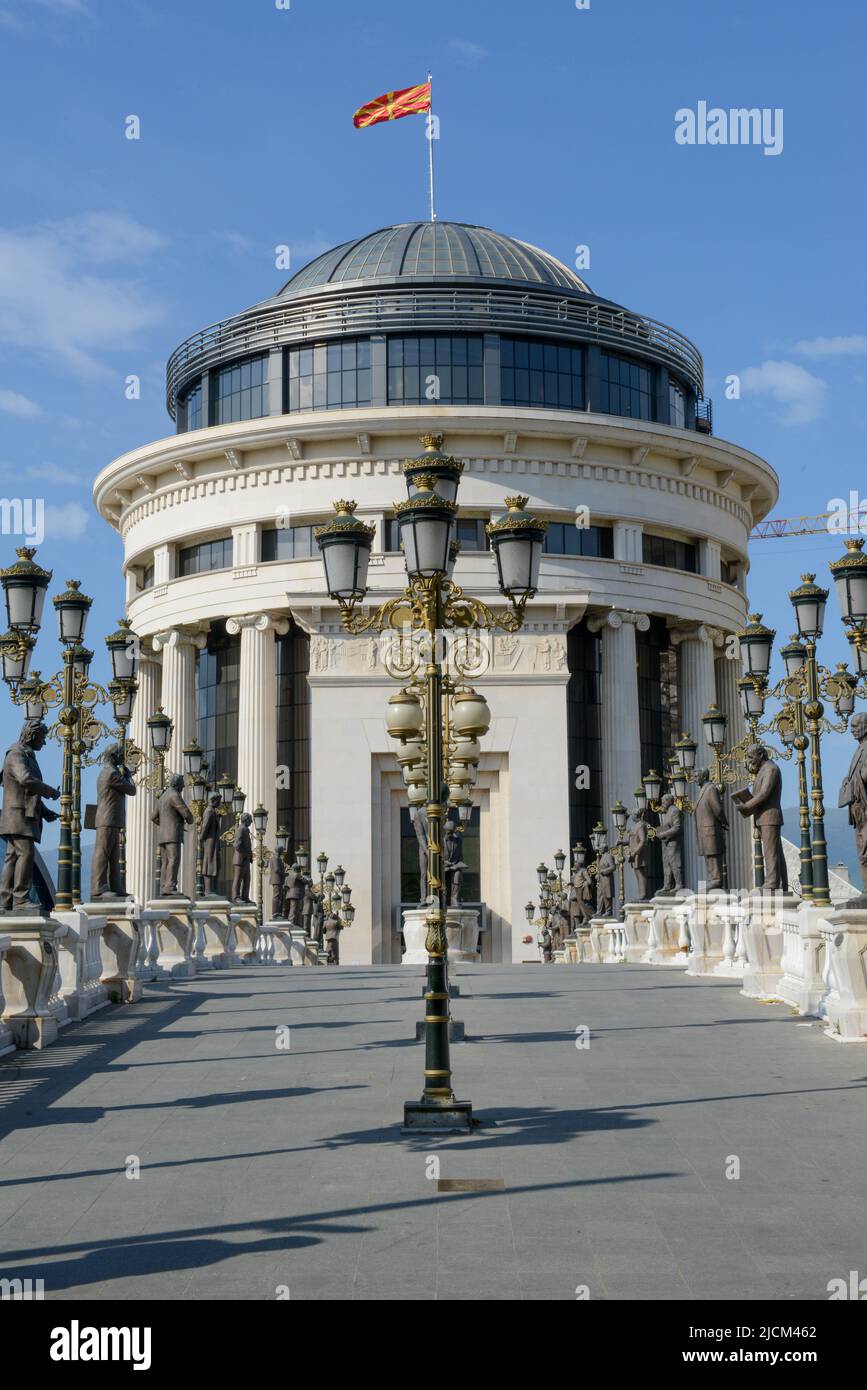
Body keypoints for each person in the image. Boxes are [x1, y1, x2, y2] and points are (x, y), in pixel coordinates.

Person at [0, 718, 59, 912]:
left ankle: (6, 900)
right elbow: (25, 780)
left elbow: (27, 792)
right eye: (42, 737)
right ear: (32, 735)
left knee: (12, 856)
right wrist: (49, 791)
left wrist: (45, 811)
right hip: (18, 815)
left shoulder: (25, 755)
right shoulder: (16, 754)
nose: (44, 742)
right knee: (25, 853)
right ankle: (20, 899)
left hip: (22, 813)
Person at [736, 744, 788, 891]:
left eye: (751, 757)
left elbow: (764, 793)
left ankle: (772, 883)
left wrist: (747, 806)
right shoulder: (763, 771)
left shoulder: (771, 769)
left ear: (761, 755)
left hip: (769, 817)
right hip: (763, 816)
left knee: (770, 852)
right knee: (775, 852)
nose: (750, 761)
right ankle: (782, 884)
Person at [90, 742, 136, 900]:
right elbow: (132, 790)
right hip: (107, 818)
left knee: (113, 855)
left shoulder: (111, 772)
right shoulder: (111, 773)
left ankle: (116, 887)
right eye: (121, 754)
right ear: (114, 756)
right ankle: (99, 887)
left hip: (111, 819)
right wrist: (129, 775)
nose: (123, 758)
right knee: (103, 853)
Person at [838, 711, 867, 905]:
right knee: (862, 850)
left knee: (865, 848)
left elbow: (865, 775)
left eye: (856, 726)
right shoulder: (860, 749)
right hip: (858, 810)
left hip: (864, 806)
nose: (852, 730)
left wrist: (854, 780)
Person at [151, 774, 193, 897]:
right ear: (177, 784)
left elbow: (153, 817)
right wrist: (189, 819)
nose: (183, 786)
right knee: (174, 859)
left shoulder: (163, 796)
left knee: (165, 861)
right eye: (182, 783)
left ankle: (164, 886)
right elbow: (186, 813)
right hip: (172, 834)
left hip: (163, 835)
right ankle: (170, 886)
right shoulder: (174, 795)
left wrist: (163, 824)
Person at [694, 767, 728, 890]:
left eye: (696, 776)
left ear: (703, 776)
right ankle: (713, 879)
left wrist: (724, 822)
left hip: (710, 830)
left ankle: (716, 879)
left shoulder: (710, 789)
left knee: (713, 856)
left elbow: (717, 809)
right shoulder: (703, 789)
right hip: (705, 832)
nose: (694, 778)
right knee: (708, 856)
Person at [656, 793, 685, 894]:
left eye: (664, 801)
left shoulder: (675, 811)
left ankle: (679, 884)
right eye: (662, 801)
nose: (662, 803)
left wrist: (663, 833)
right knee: (666, 863)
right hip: (666, 842)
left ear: (670, 801)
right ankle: (667, 885)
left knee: (674, 862)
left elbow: (677, 827)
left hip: (673, 842)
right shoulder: (667, 812)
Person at [199, 792, 222, 898]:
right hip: (210, 842)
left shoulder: (212, 812)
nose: (220, 803)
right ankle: (208, 890)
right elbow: (205, 826)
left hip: (213, 842)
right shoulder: (209, 811)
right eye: (219, 801)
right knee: (209, 864)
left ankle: (212, 889)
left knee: (215, 864)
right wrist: (201, 837)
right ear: (214, 801)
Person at [627, 810, 650, 901]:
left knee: (641, 874)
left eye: (633, 814)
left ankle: (643, 895)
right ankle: (641, 894)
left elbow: (642, 840)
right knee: (638, 875)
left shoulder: (640, 825)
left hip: (639, 854)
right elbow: (632, 840)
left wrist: (635, 852)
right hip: (635, 855)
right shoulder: (636, 826)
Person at [231, 811, 253, 903]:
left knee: (247, 878)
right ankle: (236, 897)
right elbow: (237, 845)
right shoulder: (241, 829)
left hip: (245, 859)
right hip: (240, 858)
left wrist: (249, 856)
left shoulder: (246, 829)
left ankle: (245, 897)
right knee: (238, 878)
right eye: (250, 820)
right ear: (246, 820)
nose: (251, 822)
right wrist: (246, 853)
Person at [596, 846, 616, 918]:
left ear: (605, 848)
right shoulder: (601, 858)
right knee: (600, 895)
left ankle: (608, 911)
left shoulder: (608, 856)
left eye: (601, 848)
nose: (600, 850)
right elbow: (599, 869)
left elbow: (613, 867)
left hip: (607, 879)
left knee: (607, 895)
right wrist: (598, 875)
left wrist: (604, 871)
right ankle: (599, 911)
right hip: (601, 879)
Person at [269, 846, 286, 919]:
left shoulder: (277, 858)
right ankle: (275, 913)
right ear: (279, 851)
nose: (283, 852)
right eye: (282, 851)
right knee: (276, 896)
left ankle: (278, 912)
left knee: (279, 896)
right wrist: (284, 874)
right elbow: (276, 869)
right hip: (277, 880)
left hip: (278, 880)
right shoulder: (276, 858)